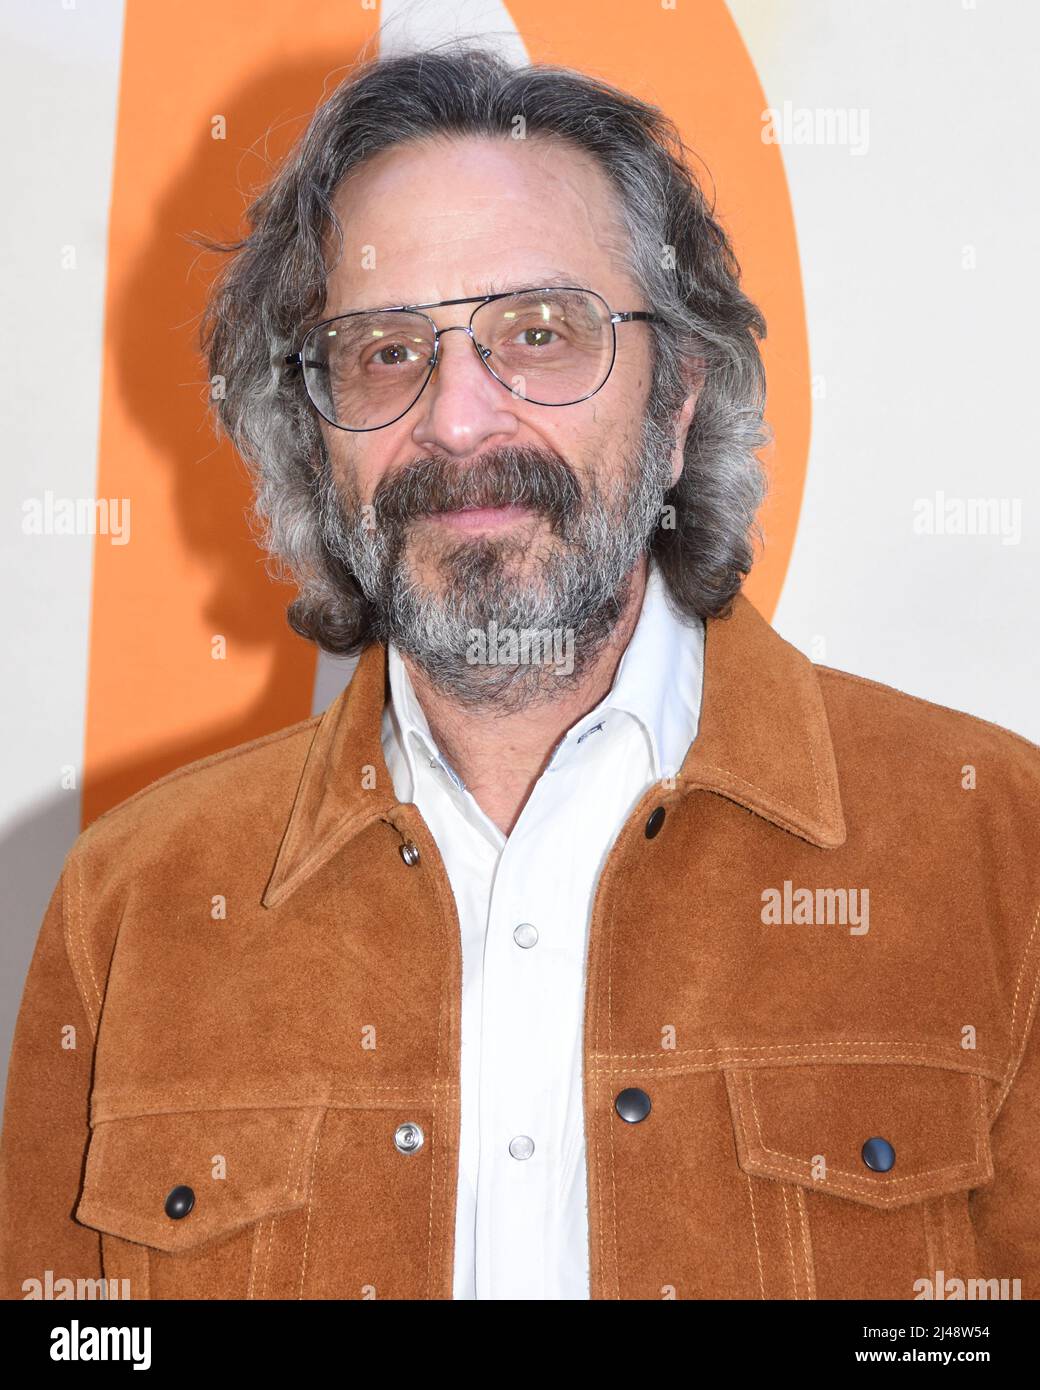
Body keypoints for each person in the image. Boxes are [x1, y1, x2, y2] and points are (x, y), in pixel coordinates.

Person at [2, 45, 1037, 1303]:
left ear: (677, 404)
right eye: (384, 351)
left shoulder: (993, 848)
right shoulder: (135, 899)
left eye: (539, 335)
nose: (455, 419)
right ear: (315, 436)